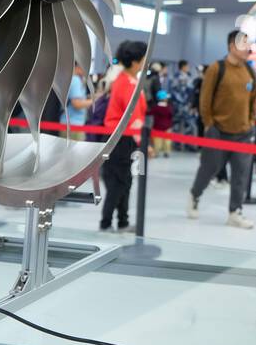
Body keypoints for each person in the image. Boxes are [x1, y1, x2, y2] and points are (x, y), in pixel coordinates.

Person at [187, 29, 256, 229]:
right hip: (218, 130)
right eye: (244, 44)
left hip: (244, 133)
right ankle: (194, 195)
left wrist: (251, 120)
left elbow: (254, 97)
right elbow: (205, 99)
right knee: (209, 169)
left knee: (241, 174)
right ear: (231, 46)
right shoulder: (216, 69)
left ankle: (235, 212)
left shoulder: (249, 70)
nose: (248, 48)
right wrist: (209, 124)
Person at [99, 40, 150, 233]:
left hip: (118, 138)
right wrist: (144, 143)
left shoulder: (124, 79)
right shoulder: (128, 83)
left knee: (123, 180)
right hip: (123, 139)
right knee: (119, 182)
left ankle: (122, 221)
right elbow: (134, 116)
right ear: (136, 61)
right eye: (144, 58)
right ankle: (107, 222)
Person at [168, 59, 200, 149]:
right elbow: (173, 91)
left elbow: (191, 92)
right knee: (178, 126)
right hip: (179, 106)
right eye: (187, 66)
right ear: (183, 67)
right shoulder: (176, 77)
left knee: (190, 125)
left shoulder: (189, 77)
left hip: (187, 105)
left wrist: (190, 103)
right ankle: (178, 144)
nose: (188, 68)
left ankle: (190, 145)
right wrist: (181, 101)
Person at [62, 63, 93, 140]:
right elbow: (77, 104)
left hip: (70, 124)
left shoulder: (71, 79)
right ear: (79, 66)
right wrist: (94, 101)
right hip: (73, 125)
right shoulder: (75, 80)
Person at [150, 89, 173, 158]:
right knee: (167, 141)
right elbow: (171, 116)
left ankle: (156, 152)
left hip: (157, 127)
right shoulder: (169, 108)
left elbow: (150, 113)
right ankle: (167, 152)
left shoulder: (155, 108)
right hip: (167, 126)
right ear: (165, 99)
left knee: (157, 141)